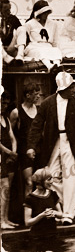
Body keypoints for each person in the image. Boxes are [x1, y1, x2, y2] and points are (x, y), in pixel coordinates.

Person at [26, 72, 75, 225]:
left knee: (71, 178)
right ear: (63, 88)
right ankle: (72, 207)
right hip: (53, 142)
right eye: (72, 87)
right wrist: (31, 146)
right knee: (51, 177)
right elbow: (36, 126)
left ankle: (67, 215)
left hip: (72, 143)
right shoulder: (48, 103)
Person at [9, 81, 41, 196]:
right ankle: (27, 213)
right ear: (28, 95)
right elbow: (10, 133)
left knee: (39, 182)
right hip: (23, 150)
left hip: (38, 149)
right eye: (36, 94)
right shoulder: (16, 112)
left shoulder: (39, 110)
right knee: (28, 182)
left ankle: (37, 211)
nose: (38, 96)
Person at [15, 0, 63, 72]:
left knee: (56, 51)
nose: (46, 15)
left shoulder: (53, 24)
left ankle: (57, 65)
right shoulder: (29, 24)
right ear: (38, 13)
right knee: (41, 52)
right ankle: (50, 66)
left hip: (48, 46)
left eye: (47, 12)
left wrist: (56, 48)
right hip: (34, 47)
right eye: (44, 13)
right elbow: (22, 34)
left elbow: (55, 41)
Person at [23, 167, 63, 236]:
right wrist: (42, 215)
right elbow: (27, 222)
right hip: (37, 236)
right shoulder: (30, 199)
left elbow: (61, 214)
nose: (52, 181)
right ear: (40, 181)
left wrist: (54, 213)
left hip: (53, 234)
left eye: (51, 178)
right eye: (49, 179)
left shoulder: (53, 194)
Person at [1, 88, 18, 229]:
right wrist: (9, 152)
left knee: (8, 188)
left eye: (6, 104)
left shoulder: (5, 118)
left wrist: (14, 151)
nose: (4, 106)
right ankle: (1, 220)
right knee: (4, 187)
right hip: (2, 156)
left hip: (8, 157)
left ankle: (5, 219)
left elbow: (12, 137)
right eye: (2, 103)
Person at [0, 0, 22, 64]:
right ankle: (7, 58)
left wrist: (15, 45)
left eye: (9, 9)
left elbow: (23, 34)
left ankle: (19, 57)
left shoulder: (13, 19)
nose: (9, 12)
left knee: (22, 29)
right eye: (6, 10)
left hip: (10, 48)